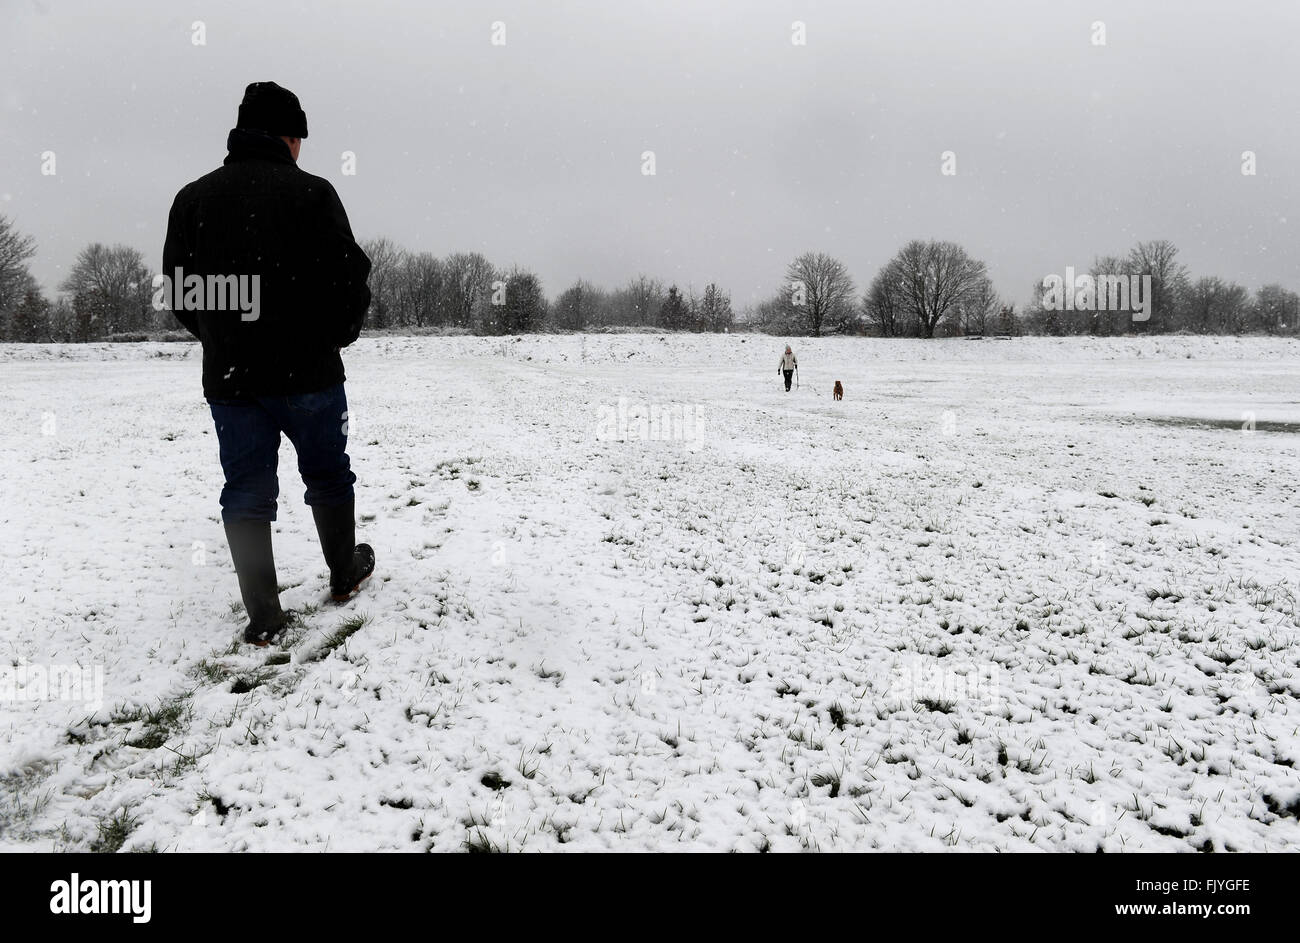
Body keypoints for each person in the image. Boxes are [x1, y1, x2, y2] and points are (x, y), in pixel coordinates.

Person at [163, 81, 375, 645]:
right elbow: (349, 277)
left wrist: (220, 337)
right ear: (288, 136)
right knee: (328, 473)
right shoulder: (313, 194)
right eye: (300, 137)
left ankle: (264, 615)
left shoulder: (192, 199)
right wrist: (337, 334)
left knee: (246, 490)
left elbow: (181, 291)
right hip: (309, 373)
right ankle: (343, 571)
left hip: (232, 380)